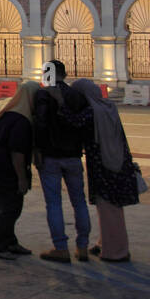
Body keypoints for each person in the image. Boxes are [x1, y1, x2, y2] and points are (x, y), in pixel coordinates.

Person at [70, 79, 140, 262]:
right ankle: (104, 243)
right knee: (113, 208)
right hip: (120, 162)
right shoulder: (108, 107)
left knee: (108, 209)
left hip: (104, 166)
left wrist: (60, 102)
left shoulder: (90, 112)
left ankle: (116, 252)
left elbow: (72, 122)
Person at [32, 60, 94, 263]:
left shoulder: (43, 95)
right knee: (79, 202)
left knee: (54, 204)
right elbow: (85, 124)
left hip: (50, 156)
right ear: (65, 74)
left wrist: (37, 151)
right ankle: (83, 247)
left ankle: (61, 247)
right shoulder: (76, 95)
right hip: (74, 156)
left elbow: (40, 125)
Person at [0, 81, 38, 259]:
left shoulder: (9, 113)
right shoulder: (21, 120)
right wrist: (21, 178)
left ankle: (9, 241)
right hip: (3, 163)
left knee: (2, 202)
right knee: (10, 205)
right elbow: (17, 153)